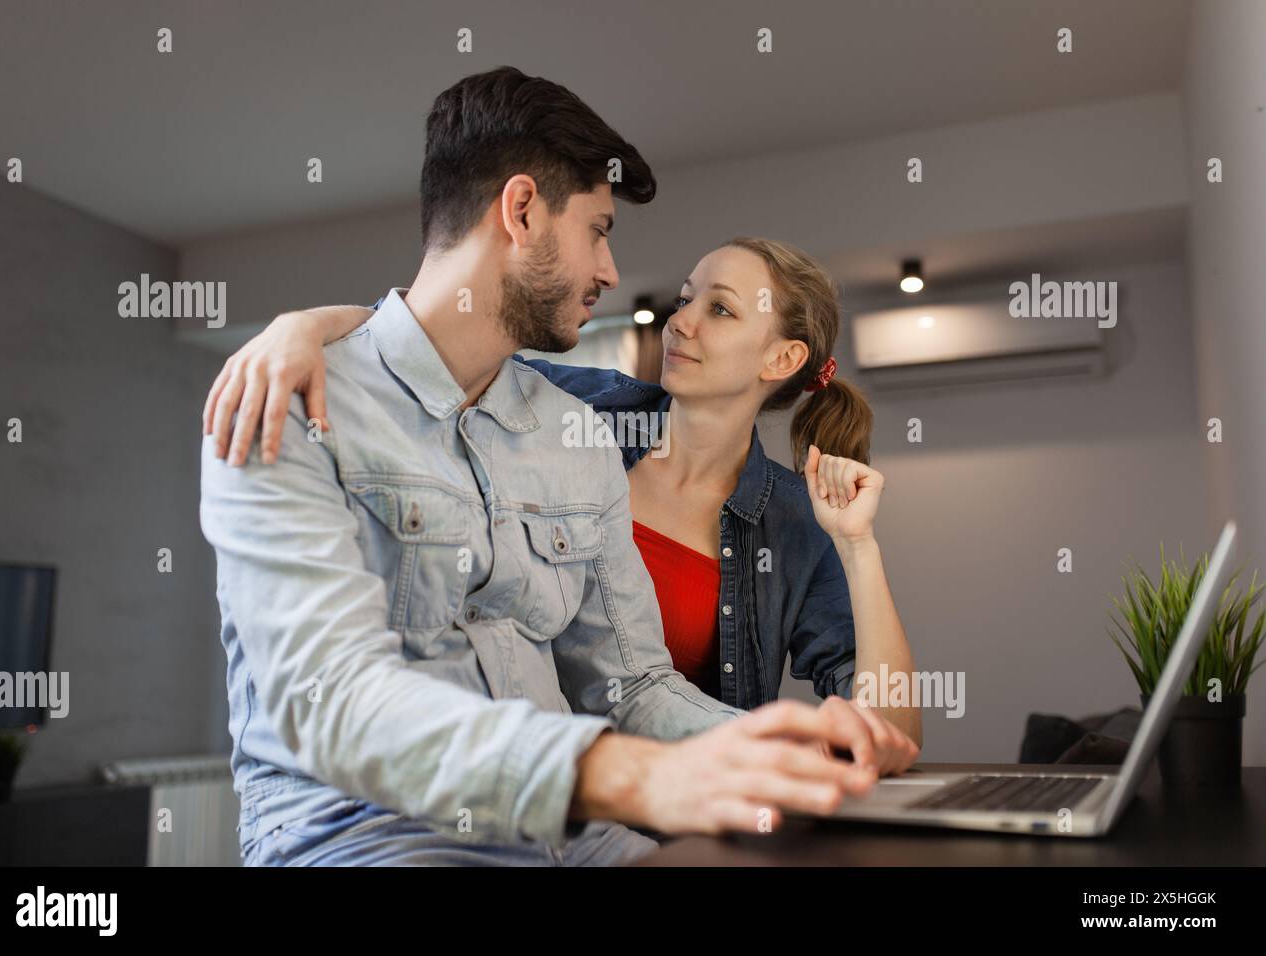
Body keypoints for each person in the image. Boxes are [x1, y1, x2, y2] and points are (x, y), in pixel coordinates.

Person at [200, 65, 912, 868]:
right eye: (599, 230)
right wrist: (621, 776)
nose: (611, 273)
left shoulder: (576, 434)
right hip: (367, 836)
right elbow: (329, 703)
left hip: (565, 841)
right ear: (522, 210)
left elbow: (633, 683)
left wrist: (785, 751)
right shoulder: (290, 396)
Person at [212, 239, 923, 752]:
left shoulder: (794, 521)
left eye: (721, 310)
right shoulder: (575, 412)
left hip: (685, 814)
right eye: (684, 300)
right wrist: (302, 326)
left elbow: (890, 731)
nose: (682, 322)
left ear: (783, 359)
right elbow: (432, 337)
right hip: (522, 790)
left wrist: (858, 545)